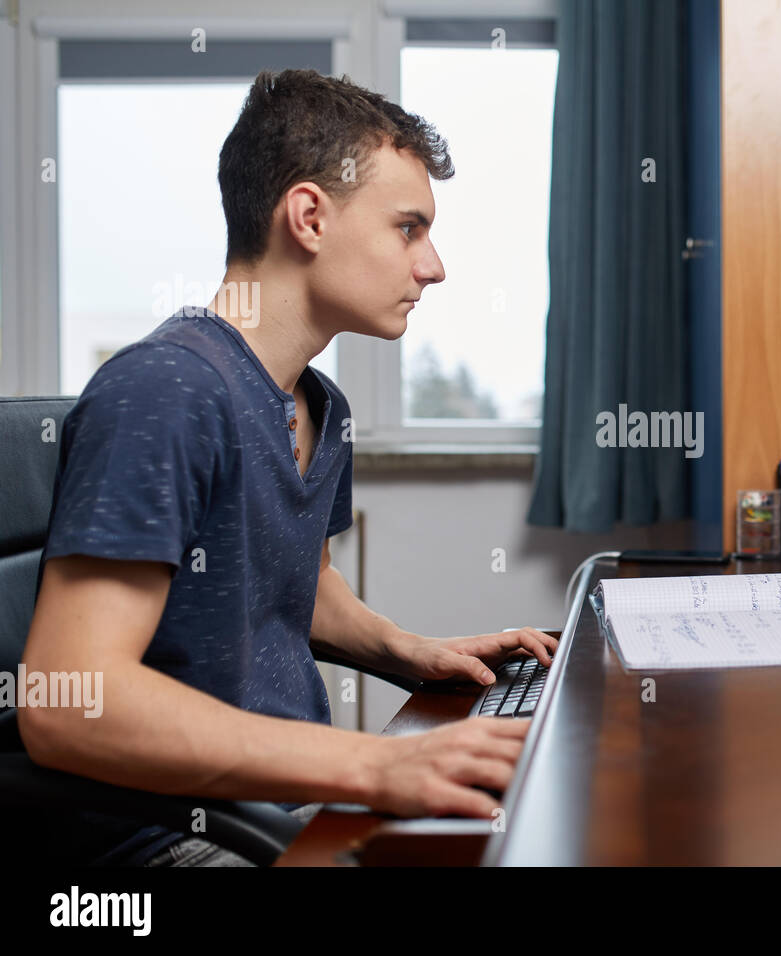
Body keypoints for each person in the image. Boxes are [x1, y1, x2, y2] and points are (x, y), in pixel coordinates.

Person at [18, 68, 556, 866]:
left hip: (283, 805)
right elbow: (68, 704)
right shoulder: (165, 391)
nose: (433, 266)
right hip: (167, 836)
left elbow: (295, 587)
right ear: (308, 216)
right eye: (408, 228)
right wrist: (377, 763)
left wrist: (407, 651)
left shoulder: (318, 403)